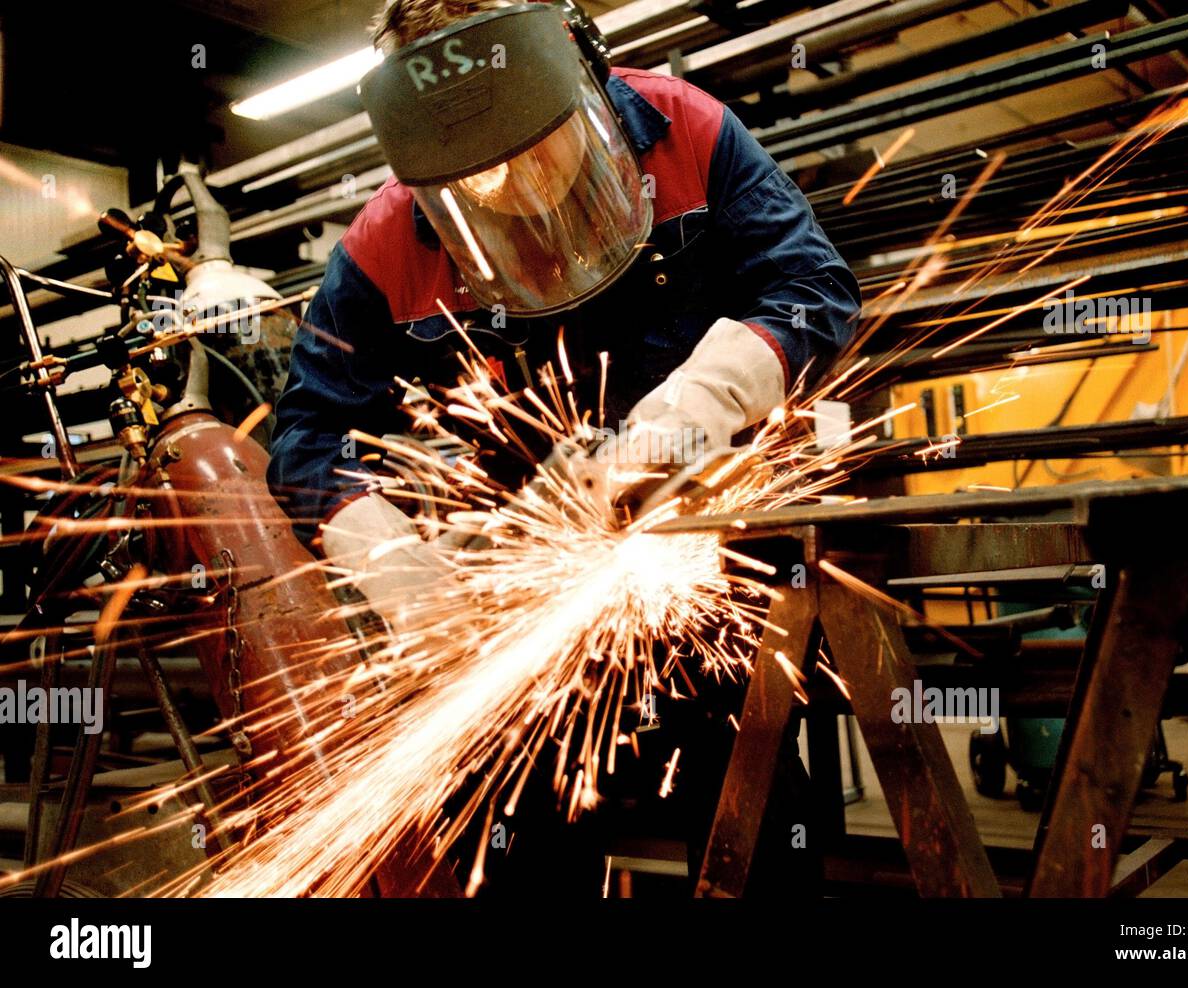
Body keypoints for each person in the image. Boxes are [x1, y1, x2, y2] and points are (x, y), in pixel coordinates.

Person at [267, 0, 861, 893]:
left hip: (705, 559)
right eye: (480, 185)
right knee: (501, 831)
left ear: (582, 71)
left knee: (755, 809)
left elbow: (813, 289)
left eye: (542, 150)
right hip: (514, 604)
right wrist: (395, 566)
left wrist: (680, 419)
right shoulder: (388, 242)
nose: (518, 190)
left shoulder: (684, 129)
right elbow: (306, 436)